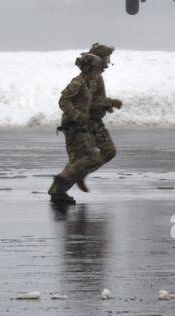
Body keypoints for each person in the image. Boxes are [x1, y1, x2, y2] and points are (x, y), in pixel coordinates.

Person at [48, 52, 104, 206]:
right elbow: (63, 101)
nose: (99, 73)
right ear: (88, 69)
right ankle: (58, 189)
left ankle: (59, 189)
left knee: (86, 157)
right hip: (72, 126)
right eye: (98, 70)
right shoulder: (77, 83)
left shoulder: (89, 83)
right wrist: (78, 116)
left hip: (80, 126)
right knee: (85, 158)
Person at [75, 41, 122, 192]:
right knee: (86, 156)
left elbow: (98, 100)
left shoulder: (98, 77)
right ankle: (65, 184)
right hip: (86, 123)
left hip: (96, 121)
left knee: (109, 151)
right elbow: (88, 102)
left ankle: (81, 174)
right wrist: (110, 102)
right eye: (106, 58)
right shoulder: (89, 77)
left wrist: (107, 105)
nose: (108, 62)